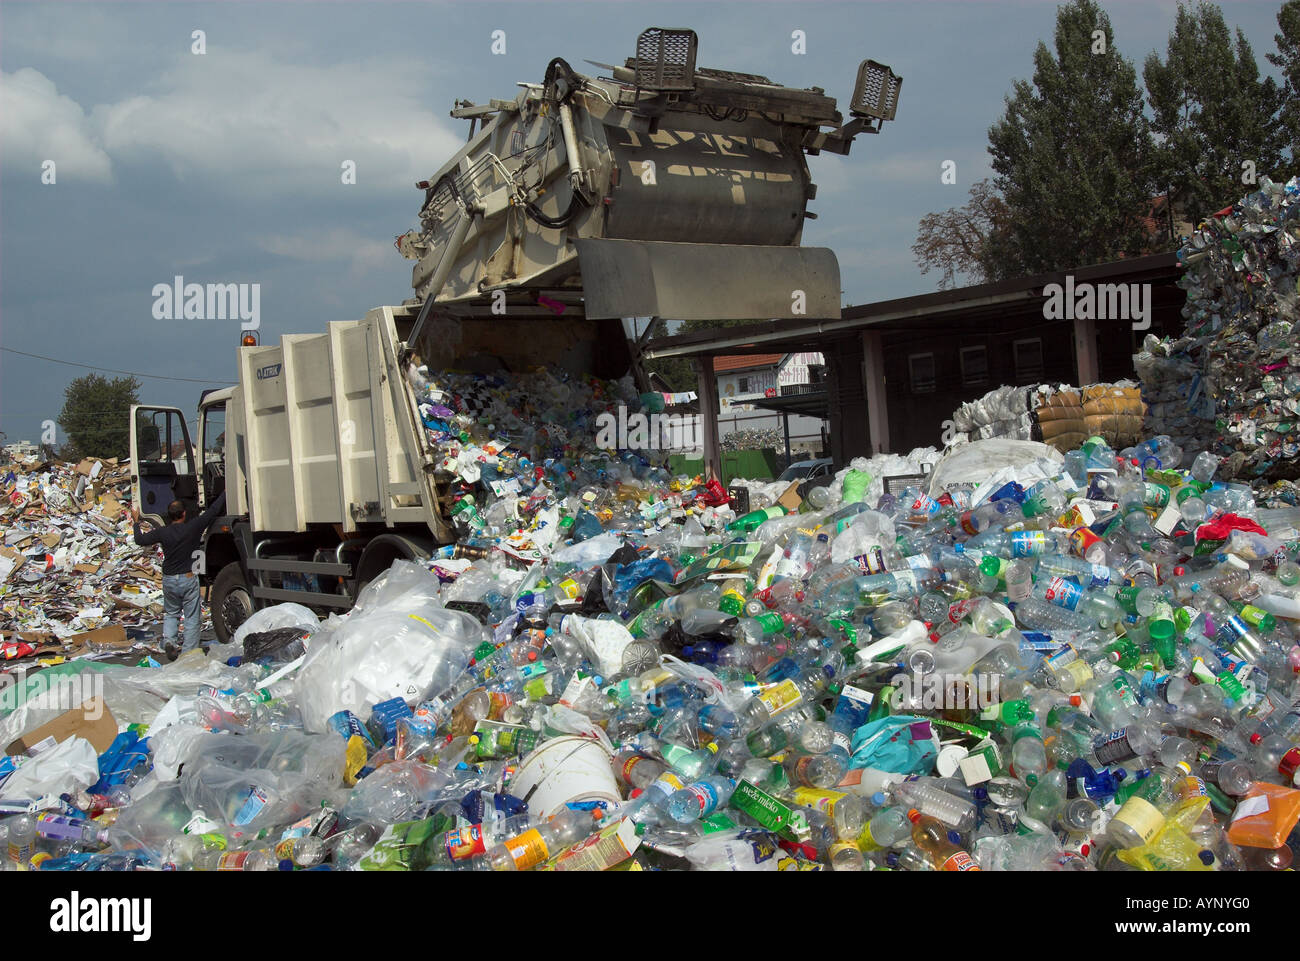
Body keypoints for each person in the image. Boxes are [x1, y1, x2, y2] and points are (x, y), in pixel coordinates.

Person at [131, 491, 227, 657]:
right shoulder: (193, 527)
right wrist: (225, 492)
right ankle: (189, 652)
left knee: (171, 613)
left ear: (169, 516)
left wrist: (136, 521)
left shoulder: (163, 532)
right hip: (188, 578)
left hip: (169, 579)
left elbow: (140, 540)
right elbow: (213, 511)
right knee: (191, 616)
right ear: (184, 514)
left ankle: (169, 641)